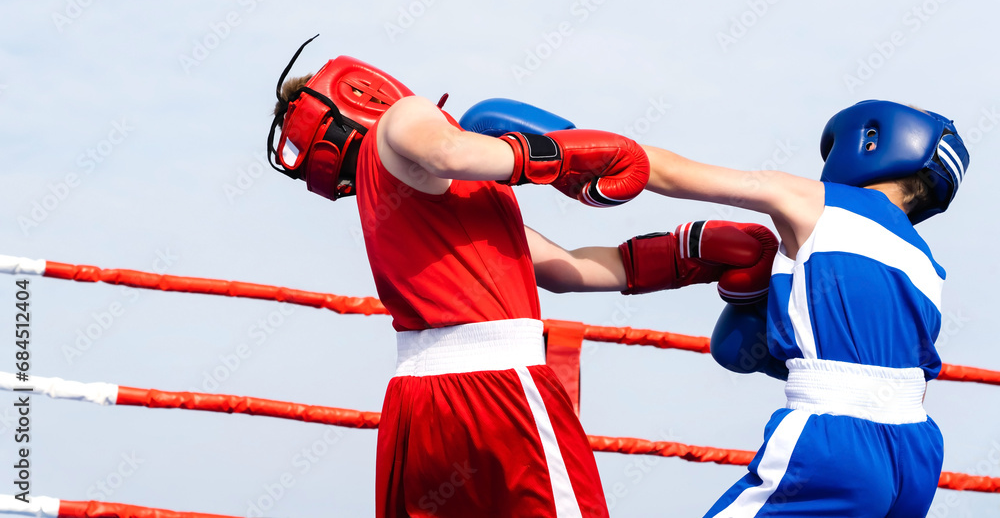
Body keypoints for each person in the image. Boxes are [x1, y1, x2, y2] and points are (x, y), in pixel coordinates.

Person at [266, 38, 777, 518]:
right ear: (361, 91)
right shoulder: (403, 118)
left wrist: (684, 256)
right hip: (497, 387)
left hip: (416, 408)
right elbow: (451, 152)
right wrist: (560, 157)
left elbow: (566, 270)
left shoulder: (422, 205)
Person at [638, 100, 970, 517]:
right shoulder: (927, 265)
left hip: (836, 439)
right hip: (916, 455)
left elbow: (670, 172)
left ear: (872, 137)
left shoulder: (817, 201)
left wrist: (561, 149)